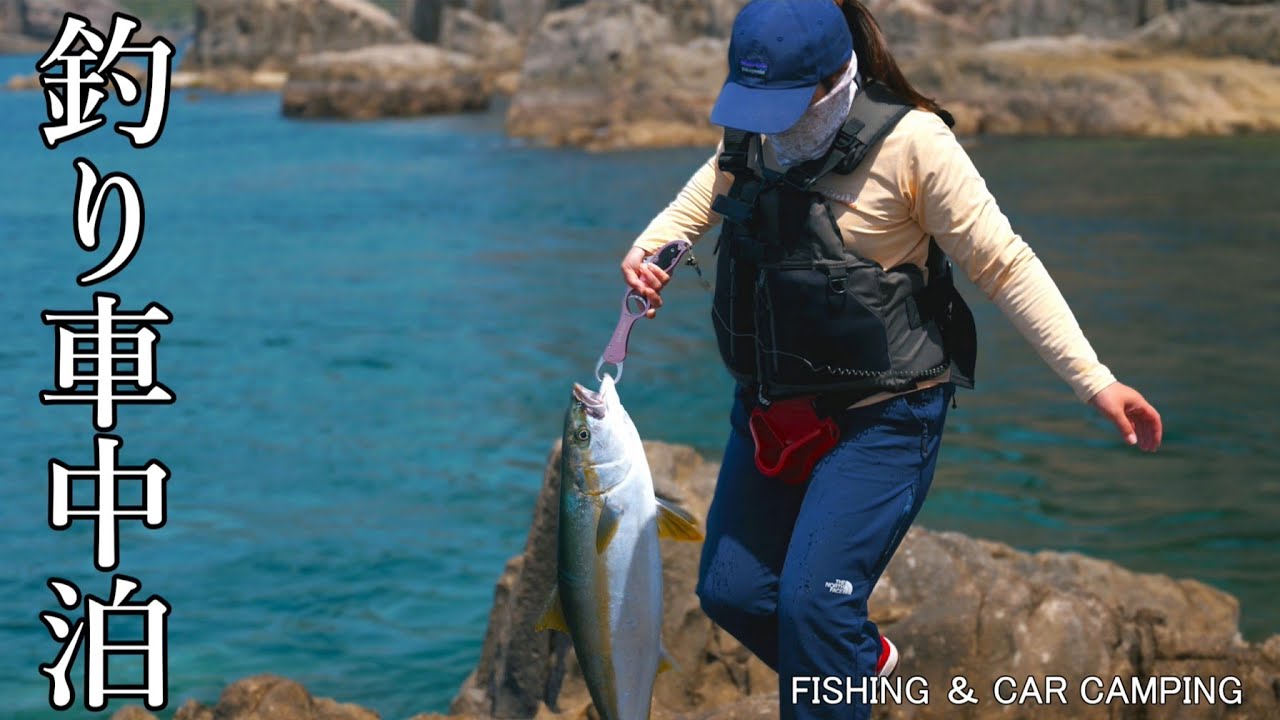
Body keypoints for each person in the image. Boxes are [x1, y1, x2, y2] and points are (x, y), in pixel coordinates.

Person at [620, 1, 1163, 719]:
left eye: (781, 102)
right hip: (773, 414)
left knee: (814, 606)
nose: (767, 120)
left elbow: (1005, 265)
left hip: (885, 417)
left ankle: (838, 663)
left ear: (830, 78)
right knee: (733, 593)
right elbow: (693, 209)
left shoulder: (914, 145)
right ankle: (859, 661)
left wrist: (1095, 381)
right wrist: (647, 254)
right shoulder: (752, 137)